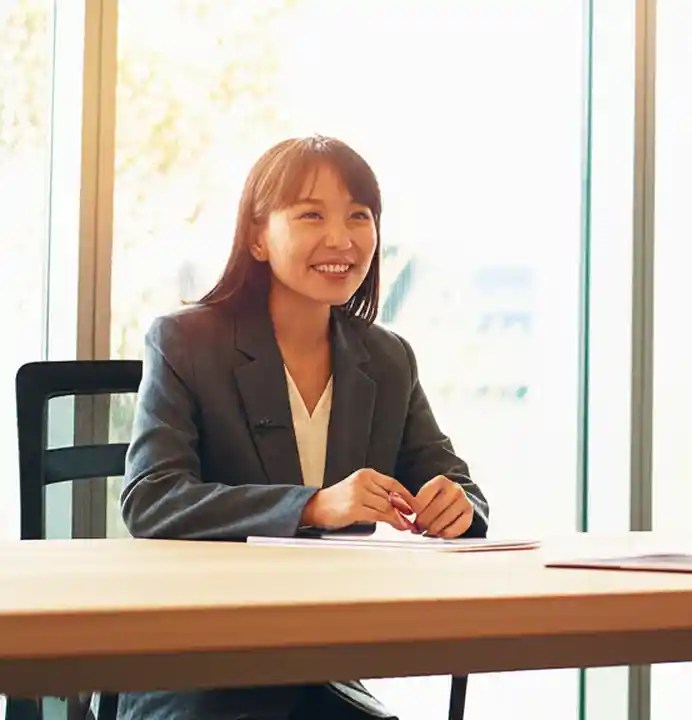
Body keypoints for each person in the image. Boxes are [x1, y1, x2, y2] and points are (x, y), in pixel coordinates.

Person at [120, 135, 489, 720]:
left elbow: (452, 479)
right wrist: (313, 506)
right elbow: (151, 500)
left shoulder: (387, 359)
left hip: (323, 669)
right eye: (311, 214)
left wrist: (459, 505)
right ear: (257, 237)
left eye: (358, 216)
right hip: (197, 665)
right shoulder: (186, 342)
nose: (341, 239)